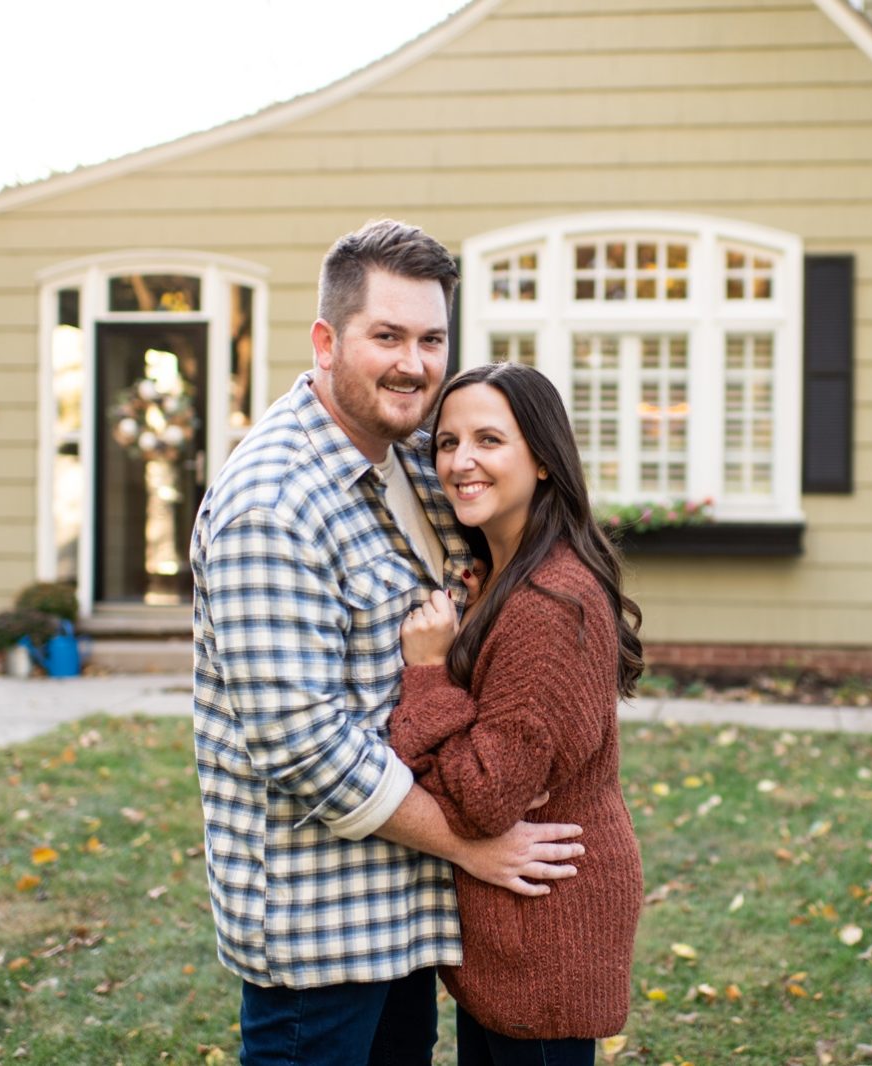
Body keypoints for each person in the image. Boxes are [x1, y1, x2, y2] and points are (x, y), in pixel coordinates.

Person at [191, 221, 587, 1066]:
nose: (415, 362)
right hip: (321, 928)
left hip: (405, 916)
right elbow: (307, 748)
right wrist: (472, 844)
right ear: (327, 341)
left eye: (432, 338)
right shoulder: (274, 502)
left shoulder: (414, 460)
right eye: (388, 336)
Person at [389, 362, 646, 1066]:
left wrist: (430, 672)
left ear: (542, 460)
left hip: (548, 927)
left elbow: (487, 796)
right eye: (446, 442)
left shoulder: (548, 603)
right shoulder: (502, 577)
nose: (461, 462)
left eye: (488, 440)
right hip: (516, 927)